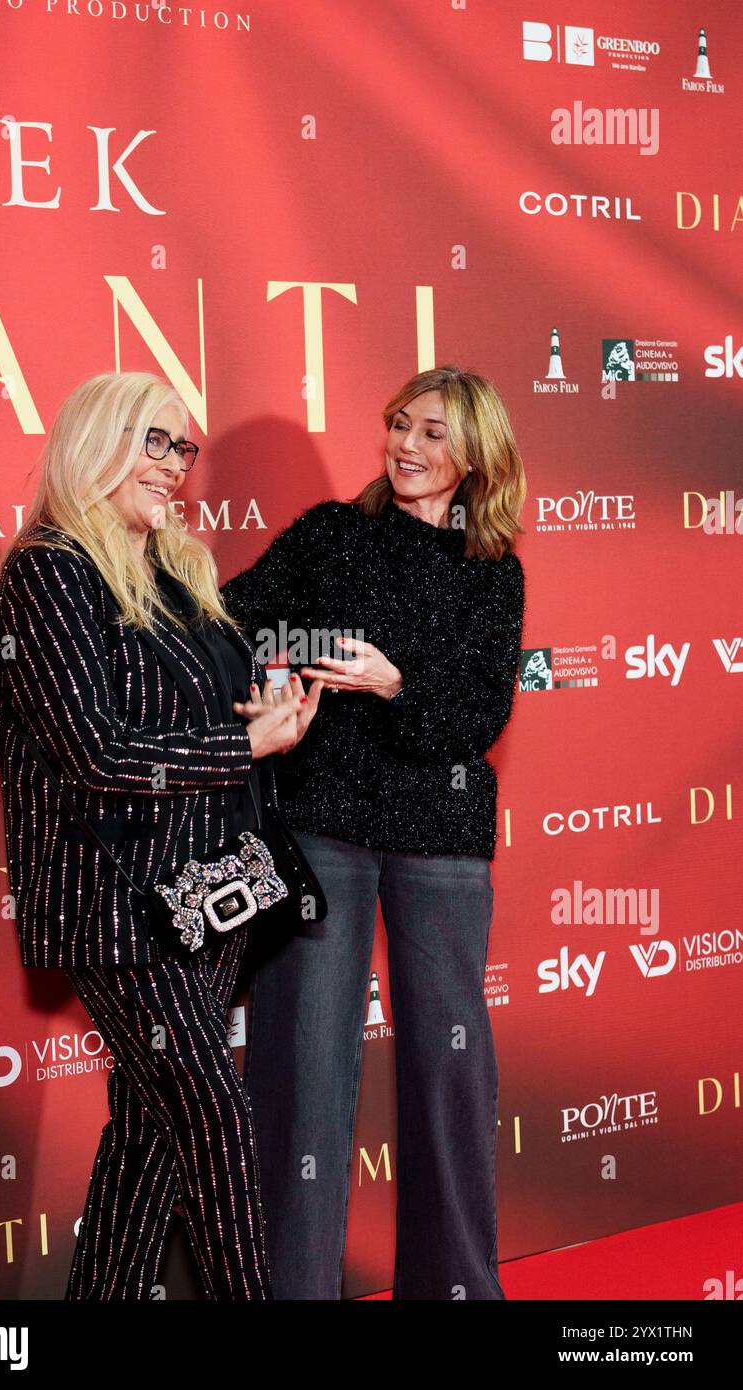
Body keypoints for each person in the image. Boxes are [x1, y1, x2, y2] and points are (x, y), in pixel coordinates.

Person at [0, 369, 320, 1300]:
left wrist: (266, 717)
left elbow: (200, 724)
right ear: (97, 441)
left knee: (150, 1141)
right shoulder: (49, 571)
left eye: (184, 448)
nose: (175, 466)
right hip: (116, 903)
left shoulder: (174, 569)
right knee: (211, 1121)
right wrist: (236, 739)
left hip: (205, 893)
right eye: (154, 441)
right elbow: (92, 752)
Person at [222, 365, 527, 1300]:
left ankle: (458, 1290)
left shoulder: (494, 570)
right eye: (400, 424)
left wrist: (394, 684)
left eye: (433, 432)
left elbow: (475, 721)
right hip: (322, 824)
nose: (407, 445)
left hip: (441, 836)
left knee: (450, 1070)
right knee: (304, 1063)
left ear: (474, 453)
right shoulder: (331, 535)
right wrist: (296, 660)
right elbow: (234, 620)